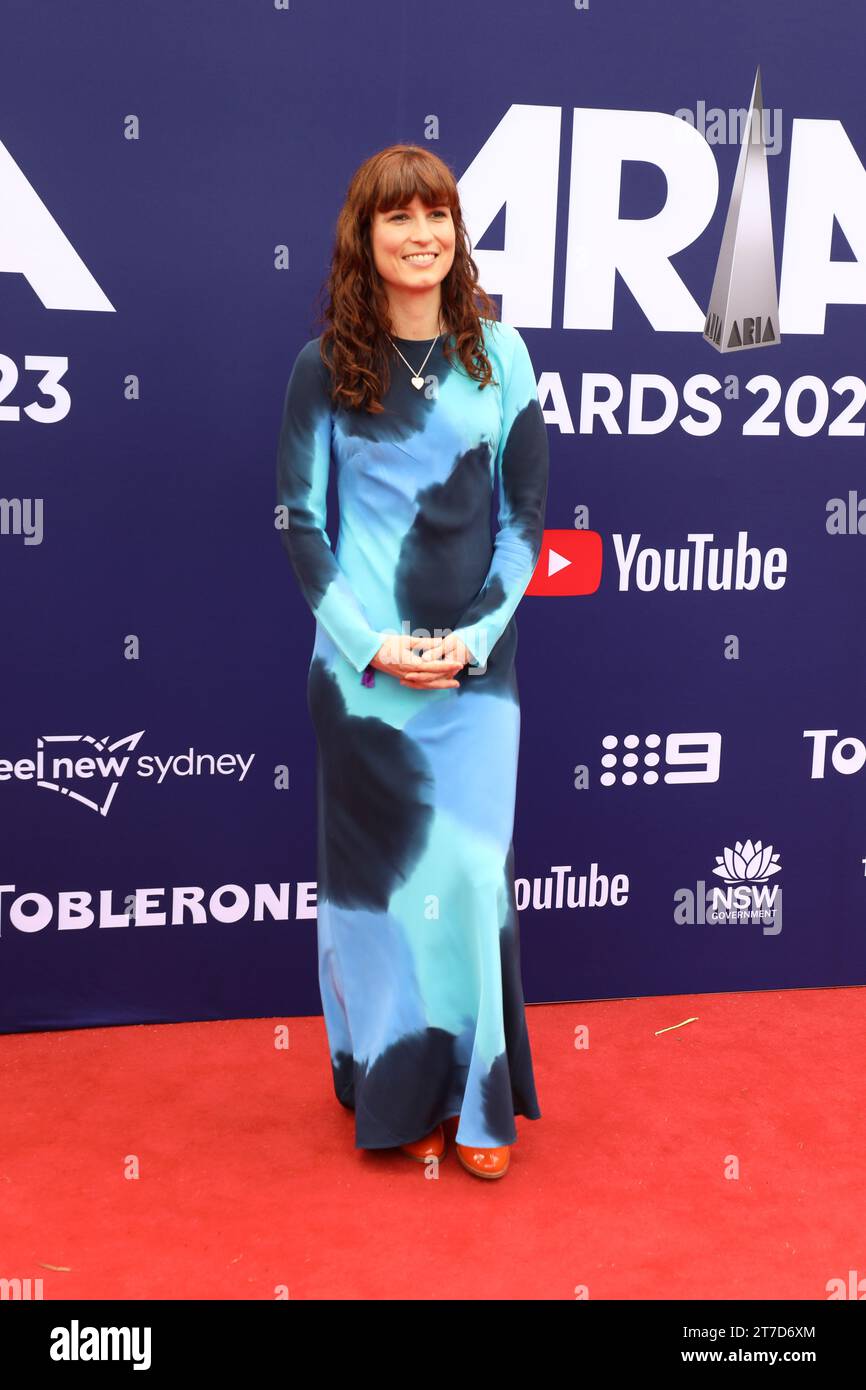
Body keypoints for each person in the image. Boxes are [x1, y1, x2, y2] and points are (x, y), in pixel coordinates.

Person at [275, 143, 549, 1180]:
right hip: (361, 677)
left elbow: (523, 521)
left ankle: (475, 1103)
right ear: (367, 236)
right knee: (384, 893)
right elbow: (300, 523)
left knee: (469, 879)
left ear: (454, 229)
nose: (420, 234)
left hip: (479, 676)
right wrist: (373, 644)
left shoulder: (500, 355)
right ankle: (399, 1090)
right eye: (398, 219)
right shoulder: (324, 365)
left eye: (434, 214)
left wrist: (472, 639)